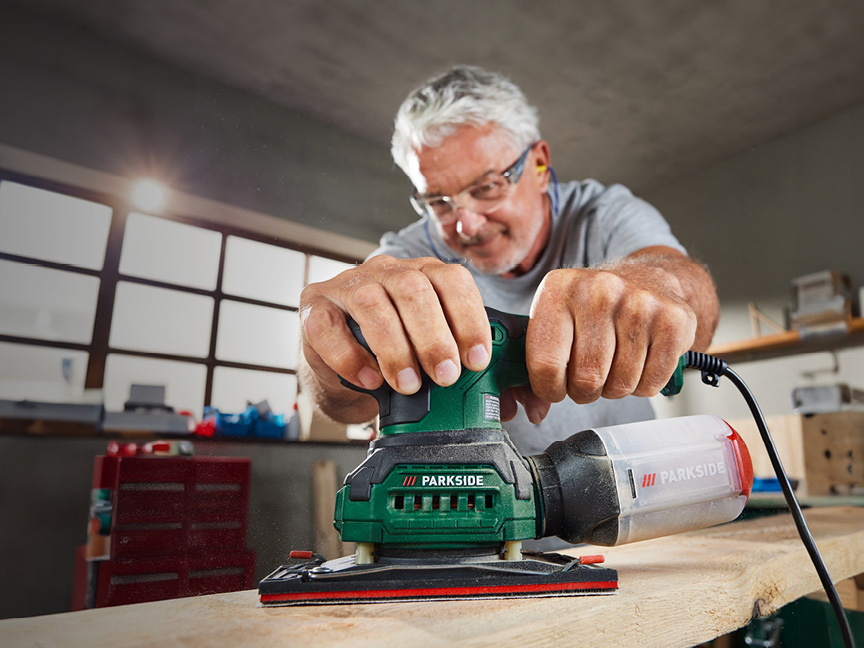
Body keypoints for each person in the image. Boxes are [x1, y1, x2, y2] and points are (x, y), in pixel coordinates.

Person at [298, 65, 718, 456]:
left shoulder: (604, 213)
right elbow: (341, 403)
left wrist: (652, 289)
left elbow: (686, 293)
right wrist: (325, 349)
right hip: (478, 522)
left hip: (629, 495)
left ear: (538, 164)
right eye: (437, 201)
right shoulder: (406, 257)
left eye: (486, 188)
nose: (465, 226)